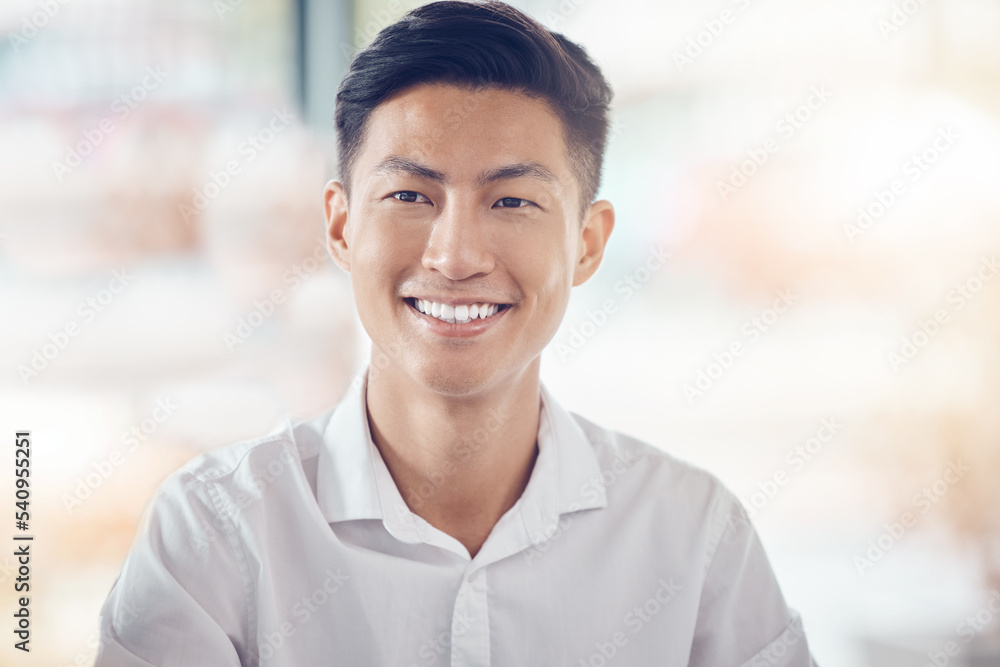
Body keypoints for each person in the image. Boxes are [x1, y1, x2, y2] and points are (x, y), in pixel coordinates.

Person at [97, 1, 818, 665]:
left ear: (588, 244)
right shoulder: (214, 537)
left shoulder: (694, 540)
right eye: (410, 195)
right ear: (342, 225)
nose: (455, 255)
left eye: (511, 199)